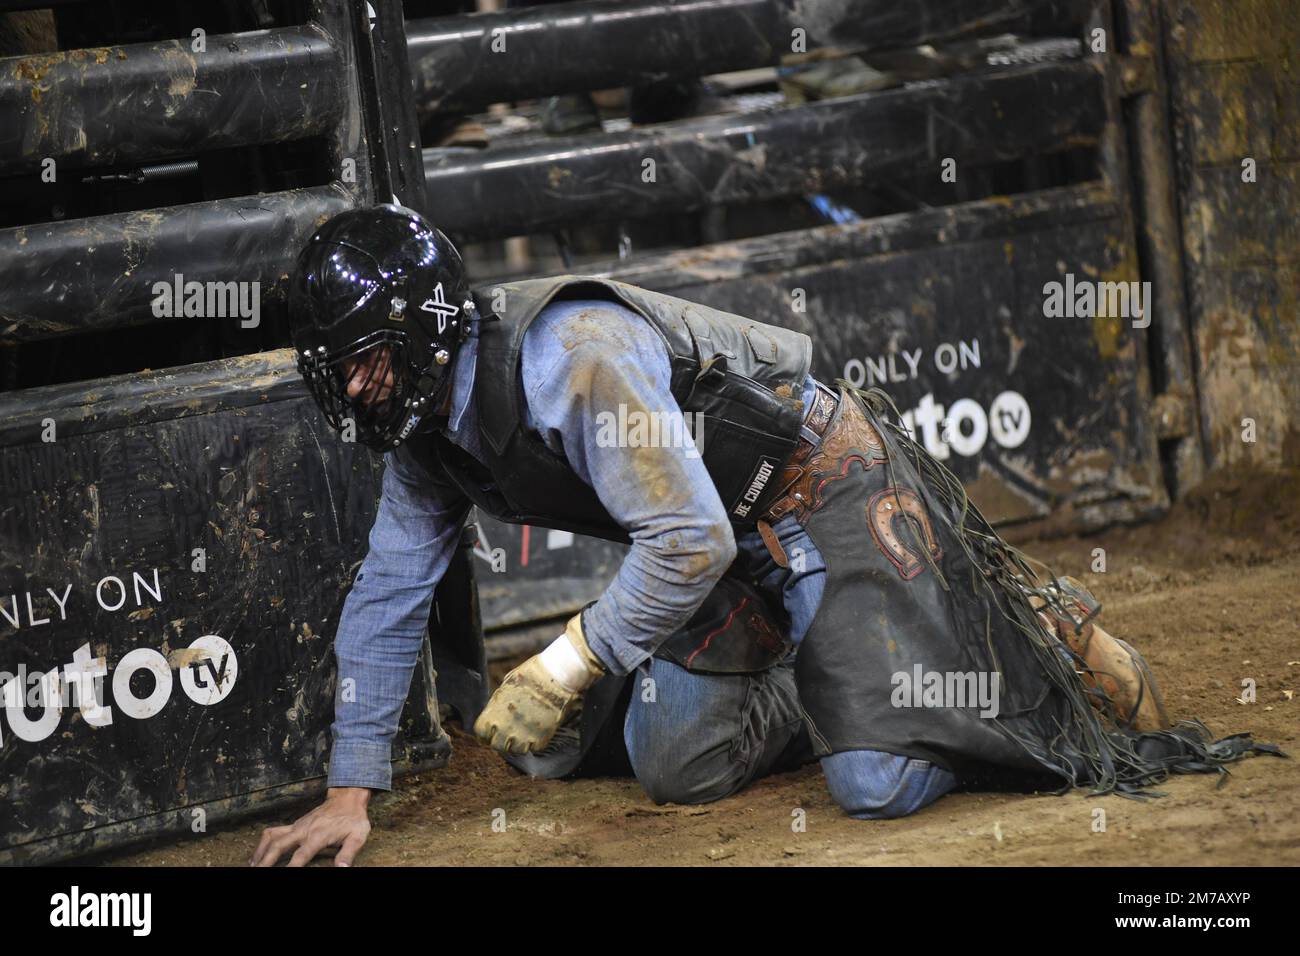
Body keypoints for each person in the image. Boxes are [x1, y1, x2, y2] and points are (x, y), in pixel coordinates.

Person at [251, 204, 1270, 866]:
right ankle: (818, 664)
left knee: (876, 787)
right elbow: (387, 592)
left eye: (366, 359)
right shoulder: (425, 432)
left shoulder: (575, 356)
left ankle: (1023, 625)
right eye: (336, 364)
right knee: (664, 763)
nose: (350, 385)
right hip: (721, 539)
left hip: (811, 487)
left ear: (423, 327)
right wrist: (351, 791)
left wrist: (568, 655)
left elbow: (684, 537)